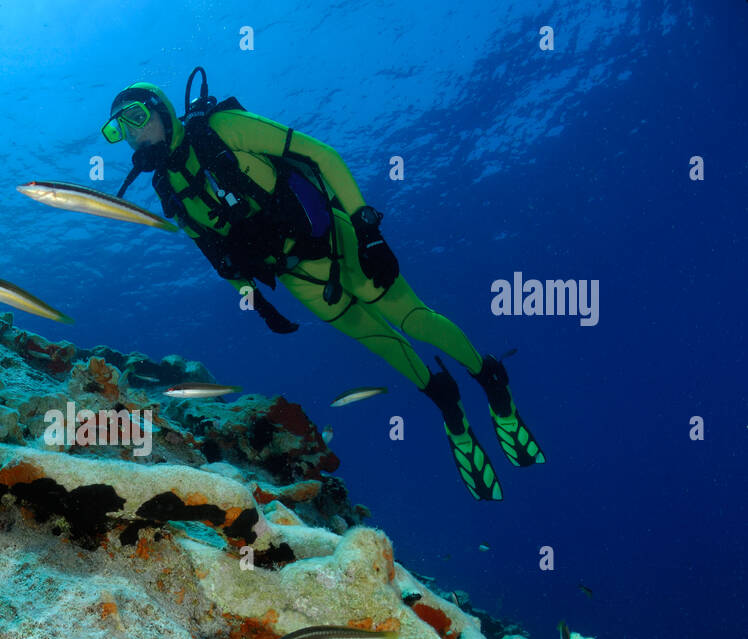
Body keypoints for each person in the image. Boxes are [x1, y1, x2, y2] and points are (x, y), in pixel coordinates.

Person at [103, 71, 546, 501]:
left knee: (412, 319)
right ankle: (447, 403)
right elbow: (213, 252)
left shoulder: (222, 128)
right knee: (383, 344)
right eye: (119, 127)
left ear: (163, 111)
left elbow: (323, 155)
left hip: (337, 241)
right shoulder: (167, 187)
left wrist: (367, 228)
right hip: (298, 277)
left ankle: (489, 376)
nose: (130, 133)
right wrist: (256, 301)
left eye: (137, 116)